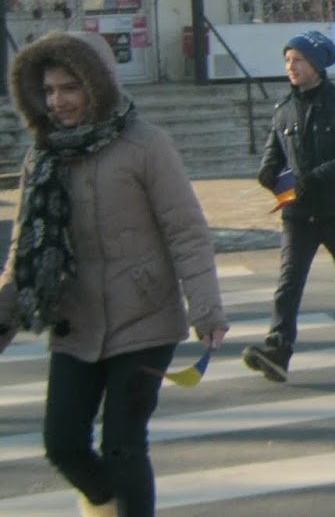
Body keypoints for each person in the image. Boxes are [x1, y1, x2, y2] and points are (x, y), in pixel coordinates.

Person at [0, 31, 228, 517]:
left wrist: (206, 308)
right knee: (62, 443)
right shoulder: (42, 155)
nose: (58, 101)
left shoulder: (146, 146)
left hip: (144, 320)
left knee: (124, 447)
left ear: (97, 85)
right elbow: (26, 249)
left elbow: (186, 231)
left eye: (70, 88)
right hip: (74, 321)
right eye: (49, 91)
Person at [243, 30, 335, 382]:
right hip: (298, 213)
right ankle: (278, 347)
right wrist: (268, 173)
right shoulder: (284, 109)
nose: (291, 67)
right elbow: (274, 153)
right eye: (287, 61)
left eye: (298, 60)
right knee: (289, 281)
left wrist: (316, 178)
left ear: (316, 65)